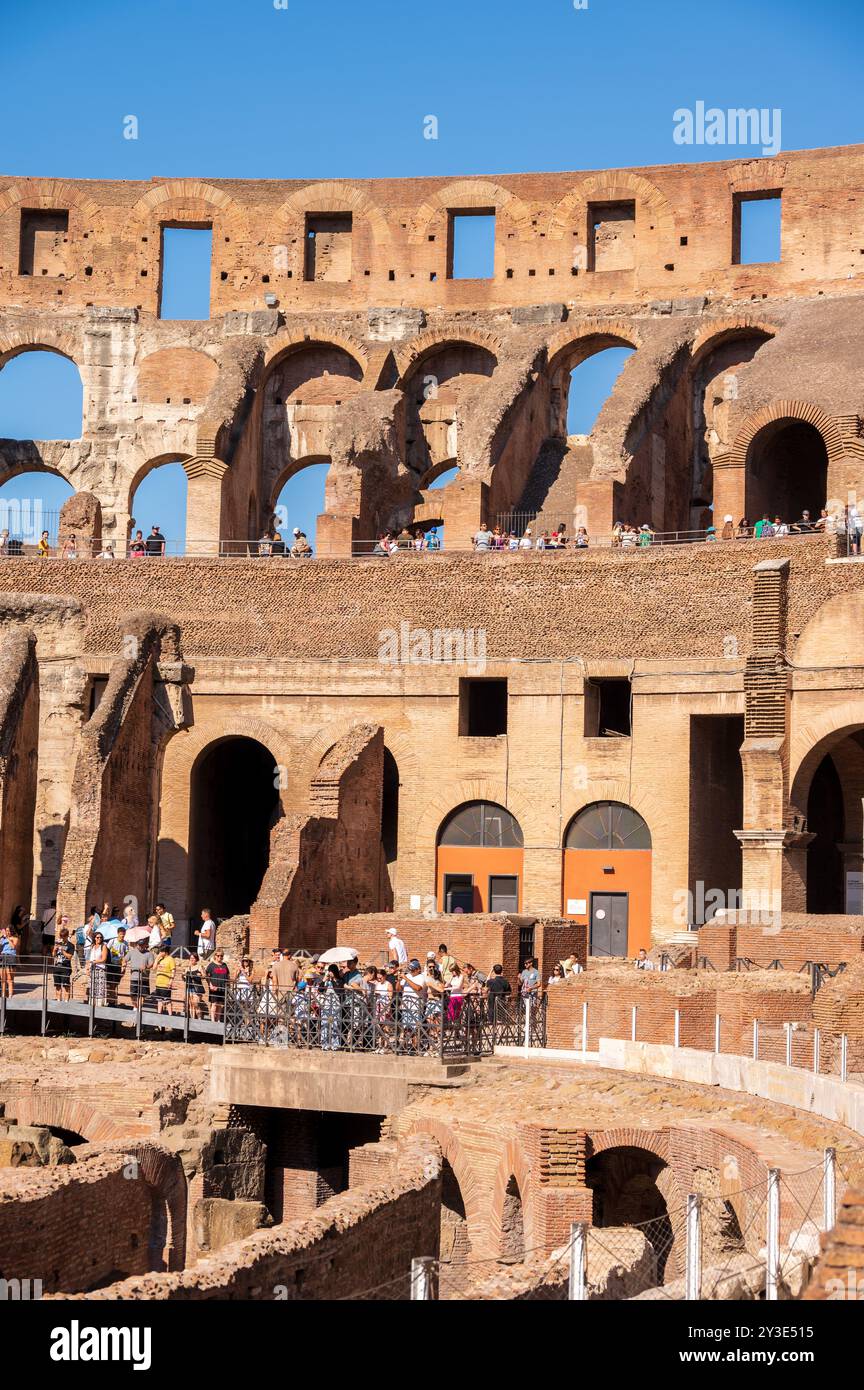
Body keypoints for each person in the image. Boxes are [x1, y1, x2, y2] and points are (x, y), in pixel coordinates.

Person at [127, 940, 154, 1009]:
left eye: (142, 945)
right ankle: (135, 1007)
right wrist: (124, 963)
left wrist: (146, 967)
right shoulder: (132, 952)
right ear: (137, 945)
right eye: (139, 945)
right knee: (133, 994)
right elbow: (125, 959)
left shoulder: (149, 953)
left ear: (145, 945)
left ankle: (139, 1008)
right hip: (134, 977)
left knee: (143, 995)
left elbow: (151, 964)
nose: (141, 947)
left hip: (144, 978)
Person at [205, 948, 230, 1023]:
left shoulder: (224, 965)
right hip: (214, 988)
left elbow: (228, 975)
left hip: (222, 988)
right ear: (215, 956)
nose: (220, 957)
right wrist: (210, 985)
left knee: (220, 1004)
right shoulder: (211, 965)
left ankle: (218, 1019)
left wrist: (228, 985)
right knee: (214, 1004)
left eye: (221, 956)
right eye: (218, 955)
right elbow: (207, 976)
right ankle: (212, 1020)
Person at [52, 927, 75, 1002]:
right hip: (57, 967)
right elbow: (53, 955)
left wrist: (62, 950)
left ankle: (66, 1002)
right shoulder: (58, 943)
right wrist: (55, 950)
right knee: (57, 986)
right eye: (61, 936)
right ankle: (58, 1000)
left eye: (63, 936)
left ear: (67, 936)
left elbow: (70, 956)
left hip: (65, 968)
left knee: (66, 986)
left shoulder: (70, 945)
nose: (62, 938)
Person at [153, 946, 177, 1015]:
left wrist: (170, 982)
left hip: (166, 983)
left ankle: (170, 1016)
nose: (160, 953)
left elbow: (173, 971)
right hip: (158, 983)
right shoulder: (160, 959)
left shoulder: (170, 959)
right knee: (159, 1001)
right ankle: (159, 1016)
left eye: (161, 952)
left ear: (165, 952)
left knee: (167, 1001)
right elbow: (154, 968)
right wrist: (157, 958)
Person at [88, 930, 110, 1005]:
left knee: (100, 987)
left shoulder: (103, 946)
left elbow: (104, 958)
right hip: (92, 968)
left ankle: (99, 1003)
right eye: (97, 937)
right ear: (94, 938)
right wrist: (88, 968)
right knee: (93, 986)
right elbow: (90, 958)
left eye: (100, 937)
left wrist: (95, 961)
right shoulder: (92, 946)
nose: (99, 939)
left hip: (100, 968)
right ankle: (92, 1002)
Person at [185, 952, 206, 1019]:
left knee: (196, 1004)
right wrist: (183, 976)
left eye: (193, 958)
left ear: (196, 959)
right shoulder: (188, 968)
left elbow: (204, 976)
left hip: (197, 988)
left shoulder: (199, 967)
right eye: (191, 958)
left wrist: (200, 975)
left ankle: (199, 1019)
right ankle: (192, 1019)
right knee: (190, 1004)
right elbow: (184, 977)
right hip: (189, 987)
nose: (192, 959)